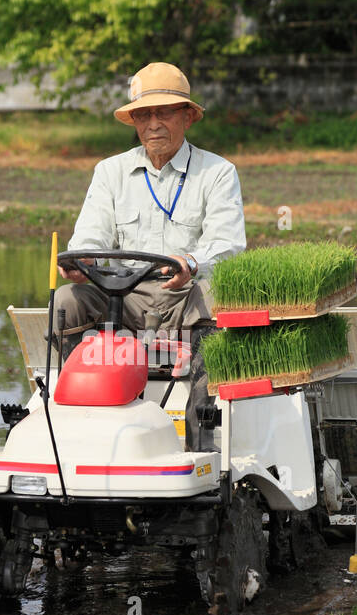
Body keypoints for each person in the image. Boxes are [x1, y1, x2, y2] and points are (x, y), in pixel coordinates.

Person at [53, 61, 246, 450]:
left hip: (184, 296)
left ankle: (200, 441)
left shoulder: (218, 172)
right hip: (121, 298)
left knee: (214, 296)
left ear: (187, 116)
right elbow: (90, 234)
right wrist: (81, 264)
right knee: (65, 301)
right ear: (134, 121)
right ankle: (81, 426)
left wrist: (189, 264)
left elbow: (227, 245)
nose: (153, 123)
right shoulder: (109, 172)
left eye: (164, 112)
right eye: (144, 114)